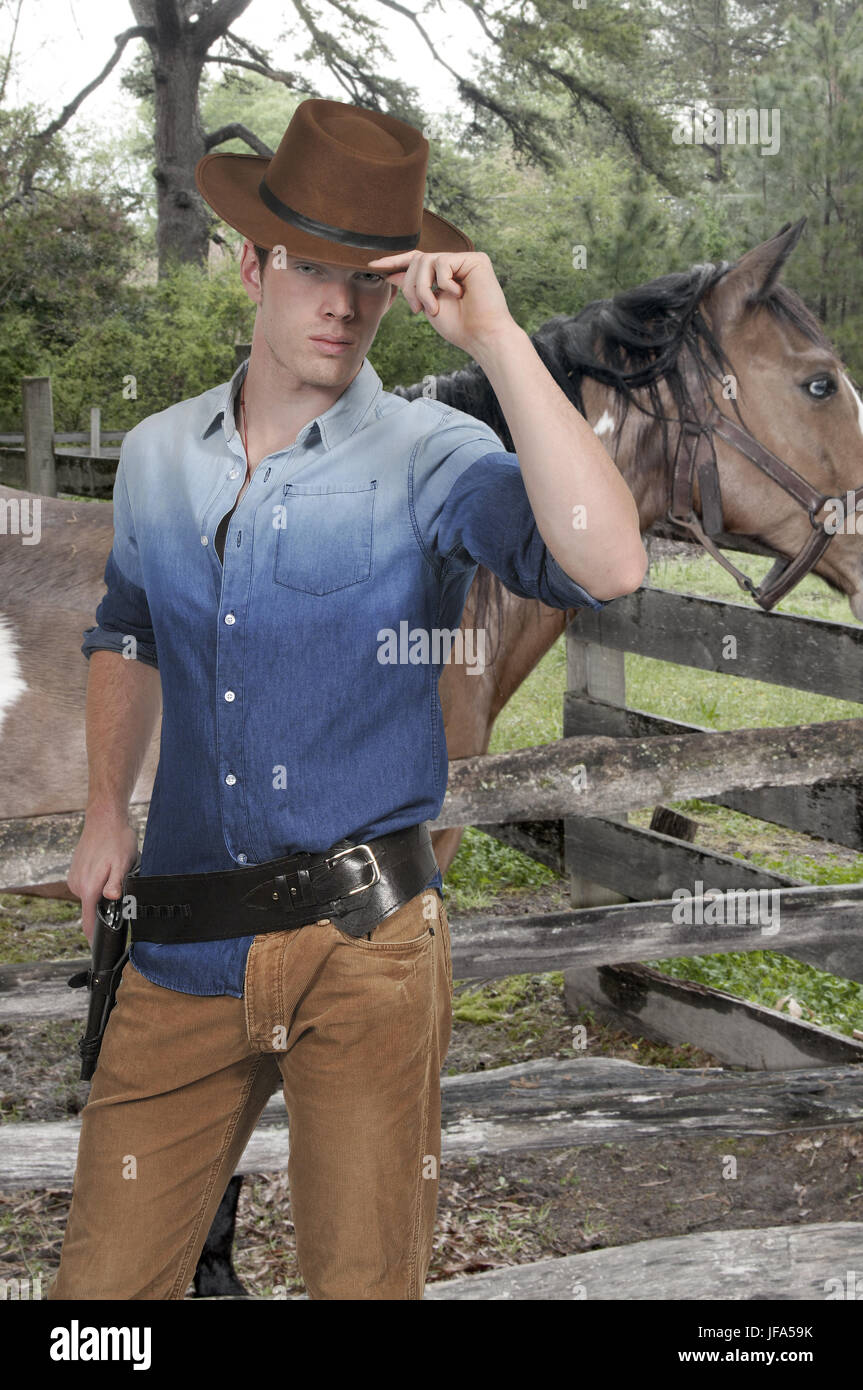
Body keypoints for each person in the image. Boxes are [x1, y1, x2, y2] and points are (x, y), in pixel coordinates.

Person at [48, 97, 647, 1301]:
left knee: (363, 1294)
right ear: (251, 264)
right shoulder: (161, 452)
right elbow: (125, 629)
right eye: (312, 267)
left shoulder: (432, 457)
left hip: (365, 950)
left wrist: (498, 340)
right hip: (176, 947)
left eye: (369, 277)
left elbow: (607, 562)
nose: (340, 304)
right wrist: (106, 804)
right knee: (95, 1312)